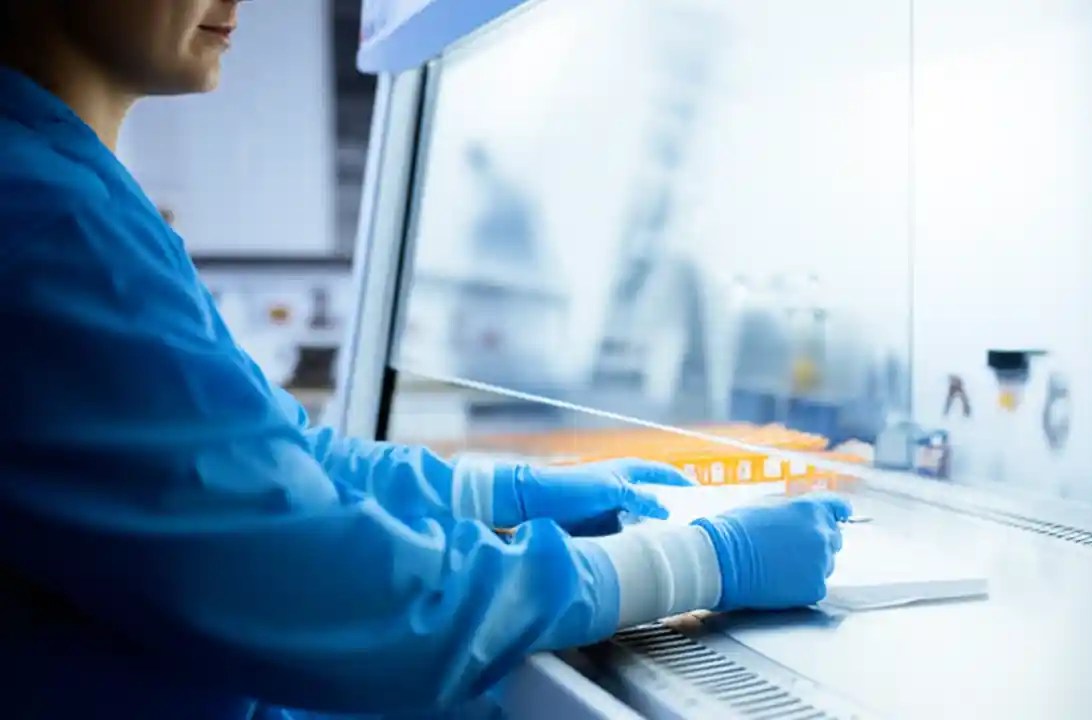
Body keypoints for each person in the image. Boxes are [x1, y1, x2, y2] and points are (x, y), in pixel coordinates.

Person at [0, 1, 852, 718]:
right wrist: (694, 562)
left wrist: (496, 493)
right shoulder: (45, 220)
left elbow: (266, 464)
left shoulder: (69, 188)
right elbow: (324, 586)